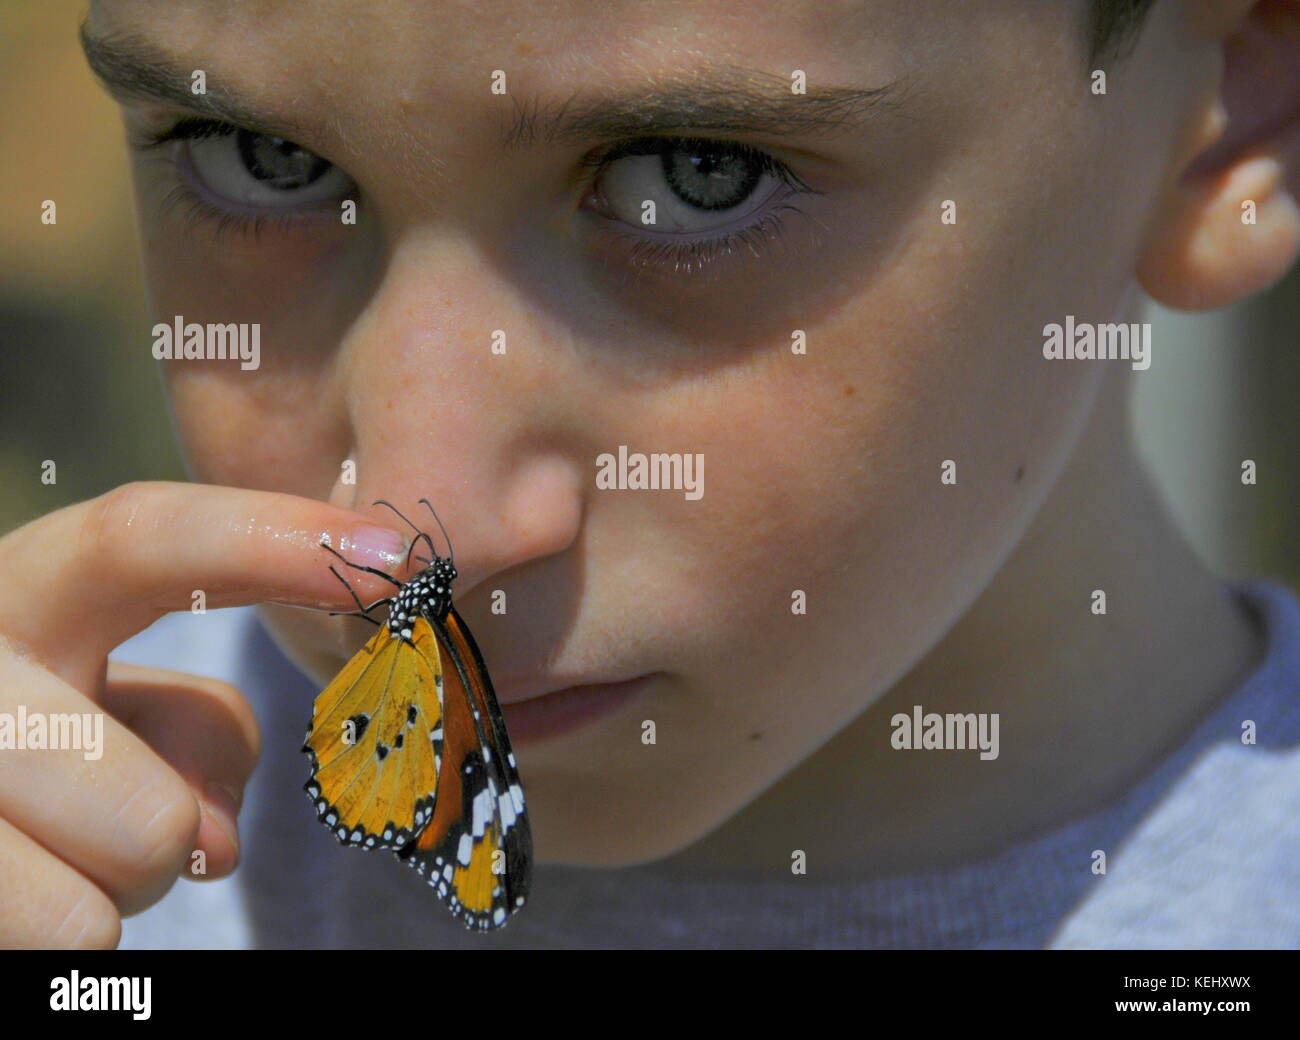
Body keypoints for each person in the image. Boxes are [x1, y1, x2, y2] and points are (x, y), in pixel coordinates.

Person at [1, 0, 1296, 949]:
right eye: (258, 156)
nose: (417, 507)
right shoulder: (72, 810)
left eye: (698, 175)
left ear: (1226, 112)